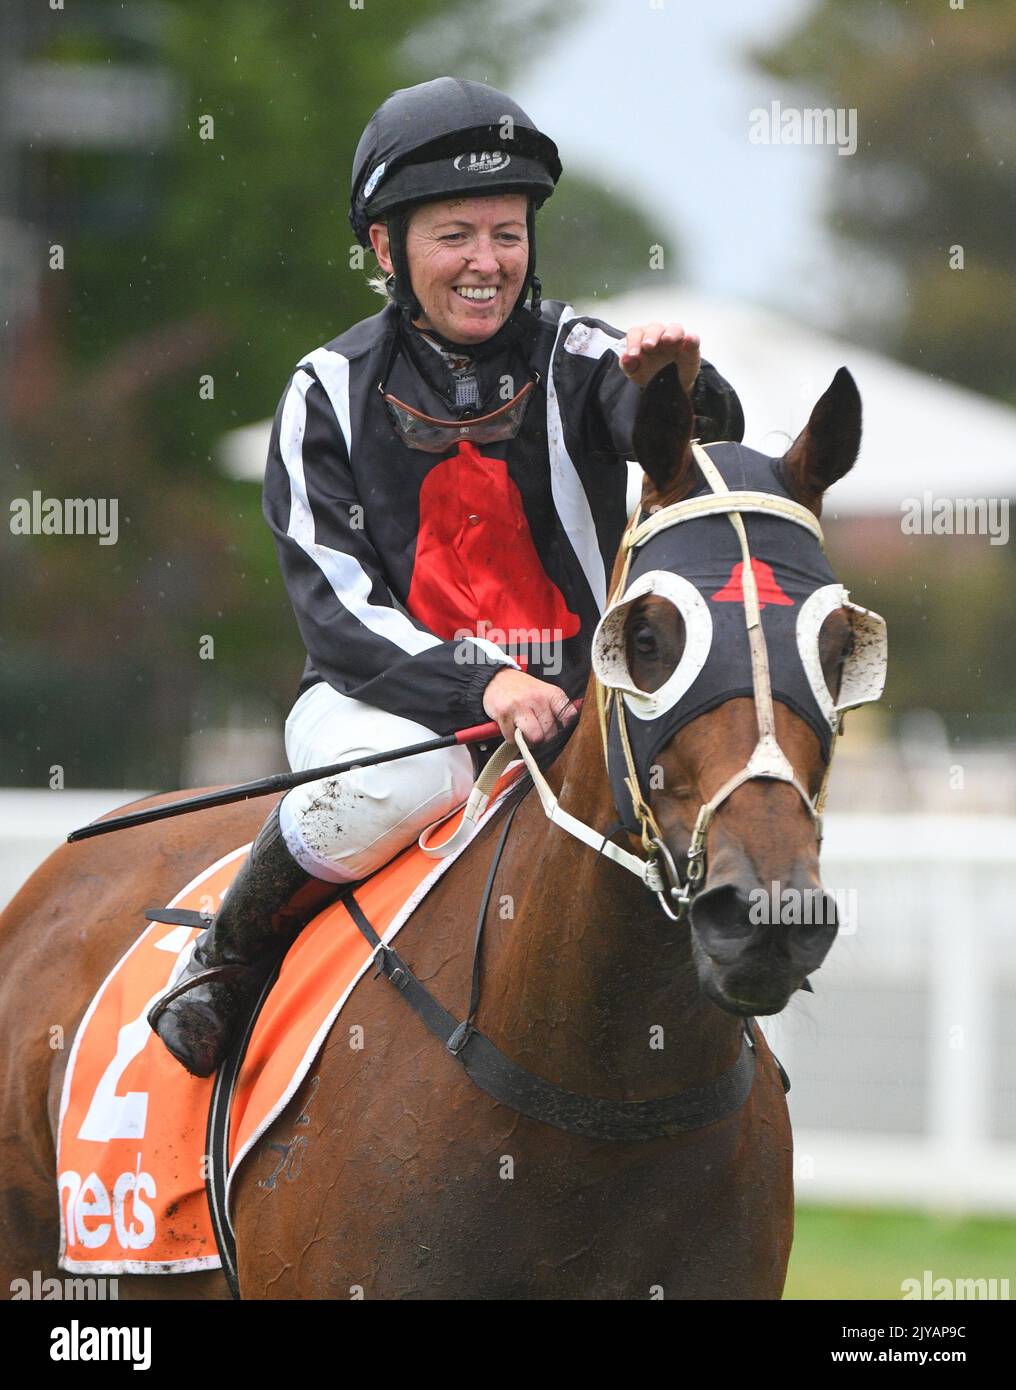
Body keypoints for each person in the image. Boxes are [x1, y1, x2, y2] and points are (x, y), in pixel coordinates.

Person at [148, 77, 745, 1077]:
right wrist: (484, 686)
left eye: (506, 234)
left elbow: (689, 448)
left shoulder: (584, 354)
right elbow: (336, 613)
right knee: (407, 777)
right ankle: (226, 955)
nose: (486, 262)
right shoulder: (323, 392)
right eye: (454, 234)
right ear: (386, 248)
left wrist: (681, 392)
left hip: (578, 710)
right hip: (388, 713)